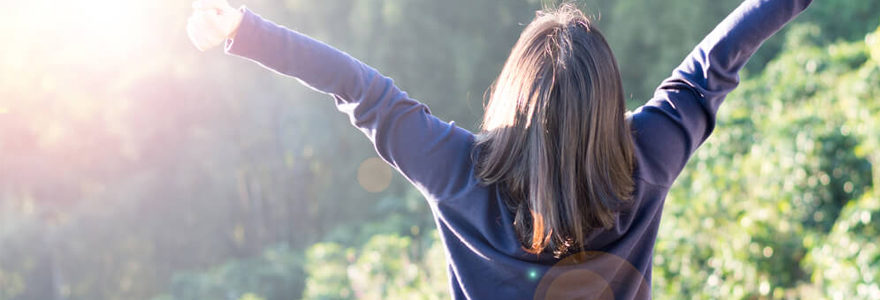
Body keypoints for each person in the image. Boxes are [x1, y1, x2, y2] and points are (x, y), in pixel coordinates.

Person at [187, 0, 812, 298]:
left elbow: (359, 88)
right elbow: (713, 65)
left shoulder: (458, 170)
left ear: (513, 93)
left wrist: (245, 30)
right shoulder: (646, 158)